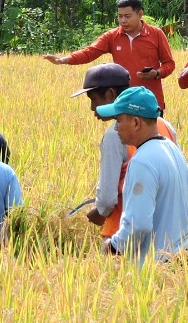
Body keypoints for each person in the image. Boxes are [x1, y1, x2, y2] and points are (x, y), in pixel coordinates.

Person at [71, 64, 177, 242]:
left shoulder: (114, 135)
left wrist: (99, 213)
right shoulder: (164, 126)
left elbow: (107, 199)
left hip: (122, 237)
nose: (92, 107)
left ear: (111, 95)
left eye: (94, 99)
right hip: (165, 238)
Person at [95, 87, 188, 263]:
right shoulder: (172, 148)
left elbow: (137, 226)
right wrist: (168, 227)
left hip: (154, 270)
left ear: (136, 123)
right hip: (180, 261)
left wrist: (113, 246)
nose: (115, 127)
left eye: (119, 120)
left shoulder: (142, 161)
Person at [43, 0, 175, 114]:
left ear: (140, 14)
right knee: (123, 140)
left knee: (152, 140)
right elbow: (90, 52)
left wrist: (156, 73)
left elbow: (169, 64)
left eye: (127, 16)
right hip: (123, 103)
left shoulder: (156, 34)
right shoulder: (112, 36)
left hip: (151, 103)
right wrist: (62, 60)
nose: (123, 20)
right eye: (120, 16)